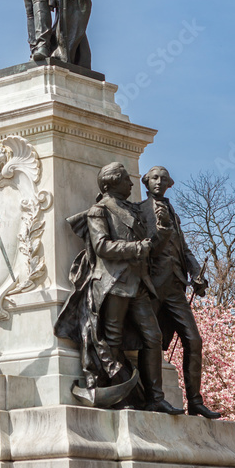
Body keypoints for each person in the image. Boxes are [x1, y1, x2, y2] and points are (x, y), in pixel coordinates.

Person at [55, 161, 184, 414]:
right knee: (112, 339)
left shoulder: (133, 210)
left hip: (138, 282)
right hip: (113, 283)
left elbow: (151, 247)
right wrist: (136, 248)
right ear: (111, 183)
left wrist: (164, 229)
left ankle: (155, 397)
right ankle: (117, 393)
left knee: (153, 337)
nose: (132, 183)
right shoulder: (99, 211)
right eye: (127, 180)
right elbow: (102, 246)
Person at [139, 166, 221, 419]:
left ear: (169, 184)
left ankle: (195, 401)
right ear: (146, 181)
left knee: (194, 340)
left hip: (175, 287)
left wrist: (196, 273)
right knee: (150, 342)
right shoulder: (140, 210)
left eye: (164, 179)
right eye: (154, 178)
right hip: (151, 286)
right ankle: (154, 398)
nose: (159, 182)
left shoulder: (172, 212)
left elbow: (184, 249)